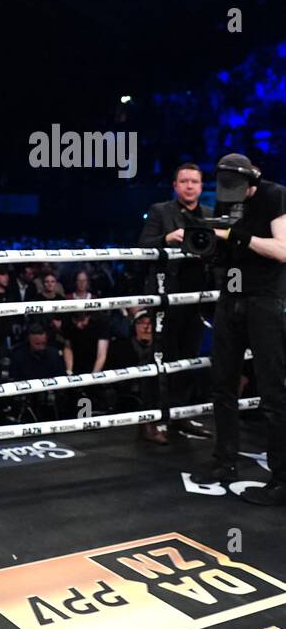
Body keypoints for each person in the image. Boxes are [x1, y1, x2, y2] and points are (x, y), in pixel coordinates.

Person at [198, 154, 286, 505]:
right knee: (222, 383)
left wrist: (238, 235)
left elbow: (282, 251)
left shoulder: (275, 194)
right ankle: (225, 462)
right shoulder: (225, 198)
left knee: (272, 389)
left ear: (253, 179)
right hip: (229, 298)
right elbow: (225, 248)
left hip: (265, 299)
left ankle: (281, 478)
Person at [138, 162, 212, 438]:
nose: (190, 186)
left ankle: (180, 414)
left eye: (195, 181)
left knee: (188, 358)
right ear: (175, 186)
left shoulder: (208, 215)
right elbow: (142, 246)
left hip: (195, 298)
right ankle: (150, 418)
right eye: (184, 181)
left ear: (201, 187)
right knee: (159, 356)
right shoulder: (161, 211)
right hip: (165, 296)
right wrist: (167, 238)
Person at [106, 310, 167, 444]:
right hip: (131, 393)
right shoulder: (122, 347)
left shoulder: (162, 348)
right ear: (134, 326)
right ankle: (148, 427)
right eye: (142, 323)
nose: (146, 327)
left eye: (150, 323)